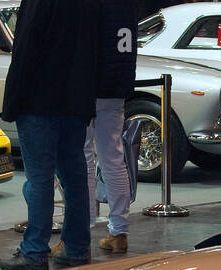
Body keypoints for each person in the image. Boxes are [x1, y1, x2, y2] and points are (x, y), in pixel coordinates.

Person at [0, 0, 99, 270]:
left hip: (39, 99)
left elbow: (27, 48)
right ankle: (77, 247)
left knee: (40, 178)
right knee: (74, 176)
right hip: (75, 98)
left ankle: (34, 251)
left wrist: (12, 102)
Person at [86, 0, 136, 256]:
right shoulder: (128, 7)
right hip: (118, 87)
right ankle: (119, 230)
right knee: (114, 159)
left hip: (92, 86)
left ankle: (82, 229)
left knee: (83, 156)